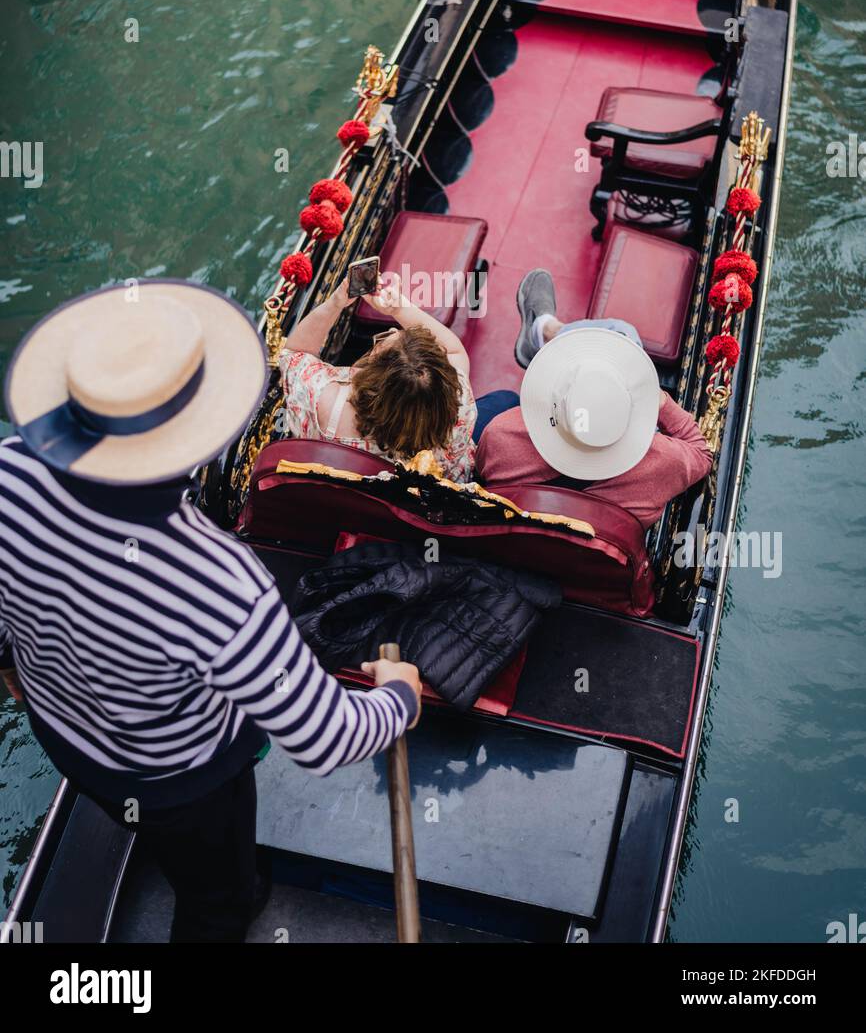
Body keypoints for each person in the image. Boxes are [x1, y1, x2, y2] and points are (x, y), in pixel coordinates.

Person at [0, 280, 422, 943]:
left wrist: (11, 663)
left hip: (64, 736)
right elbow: (326, 738)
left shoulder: (8, 471)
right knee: (218, 904)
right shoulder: (221, 582)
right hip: (181, 782)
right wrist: (399, 699)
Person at [475, 269, 712, 527]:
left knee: (506, 399)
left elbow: (483, 476)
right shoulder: (662, 462)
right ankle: (544, 332)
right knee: (622, 332)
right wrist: (661, 402)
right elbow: (702, 454)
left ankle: (544, 331)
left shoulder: (502, 435)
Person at [279, 273, 477, 480]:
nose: (392, 328)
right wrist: (400, 308)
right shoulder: (460, 399)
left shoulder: (324, 404)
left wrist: (336, 302)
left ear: (373, 377)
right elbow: (454, 351)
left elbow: (294, 353)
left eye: (381, 342)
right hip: (442, 488)